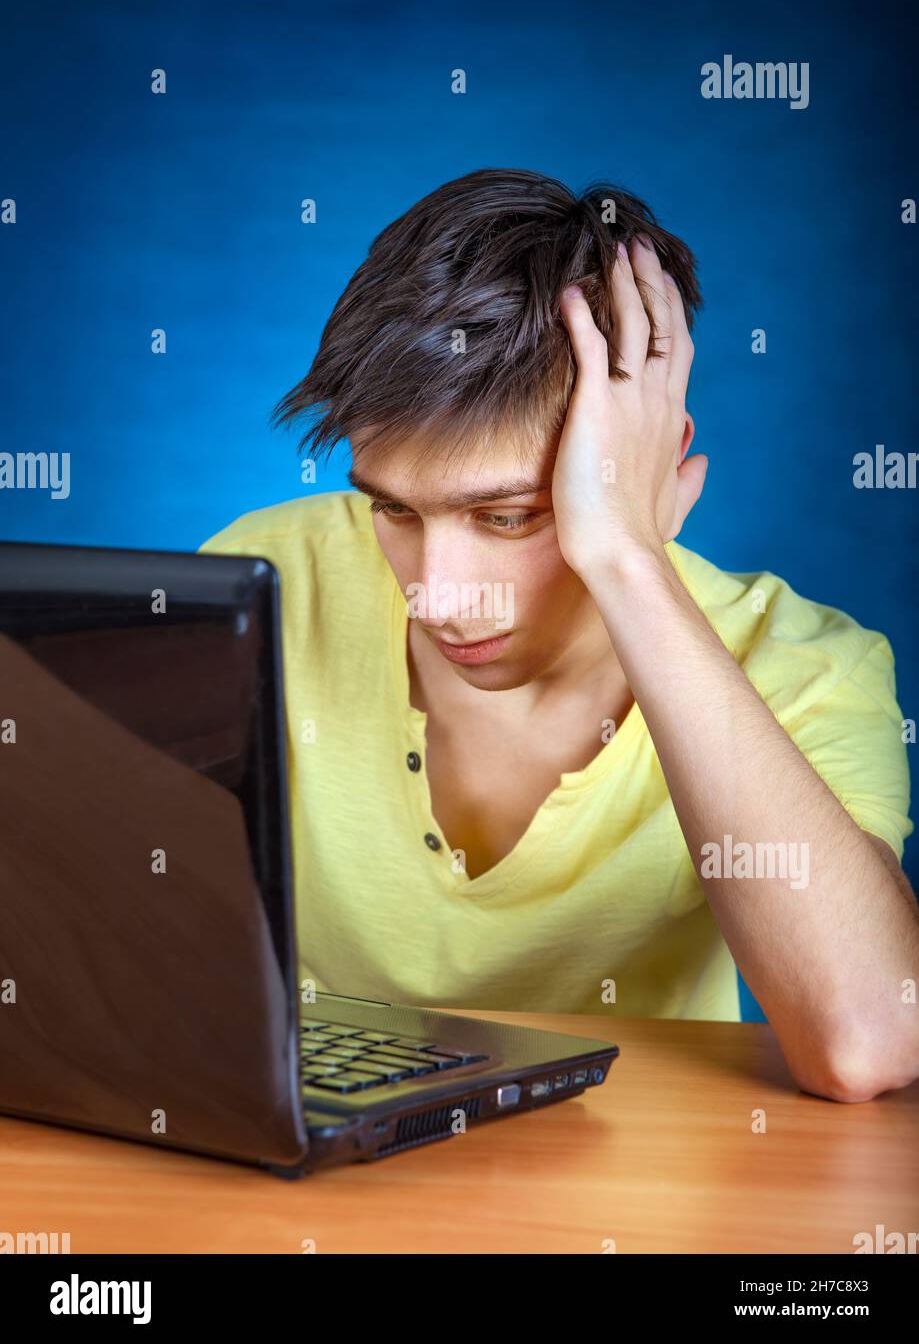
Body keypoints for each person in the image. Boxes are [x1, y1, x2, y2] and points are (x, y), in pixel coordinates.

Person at [200, 168, 918, 1103]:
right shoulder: (262, 580)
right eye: (394, 512)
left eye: (509, 518)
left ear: (658, 467)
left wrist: (627, 555)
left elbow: (867, 1040)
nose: (440, 598)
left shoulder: (805, 667)